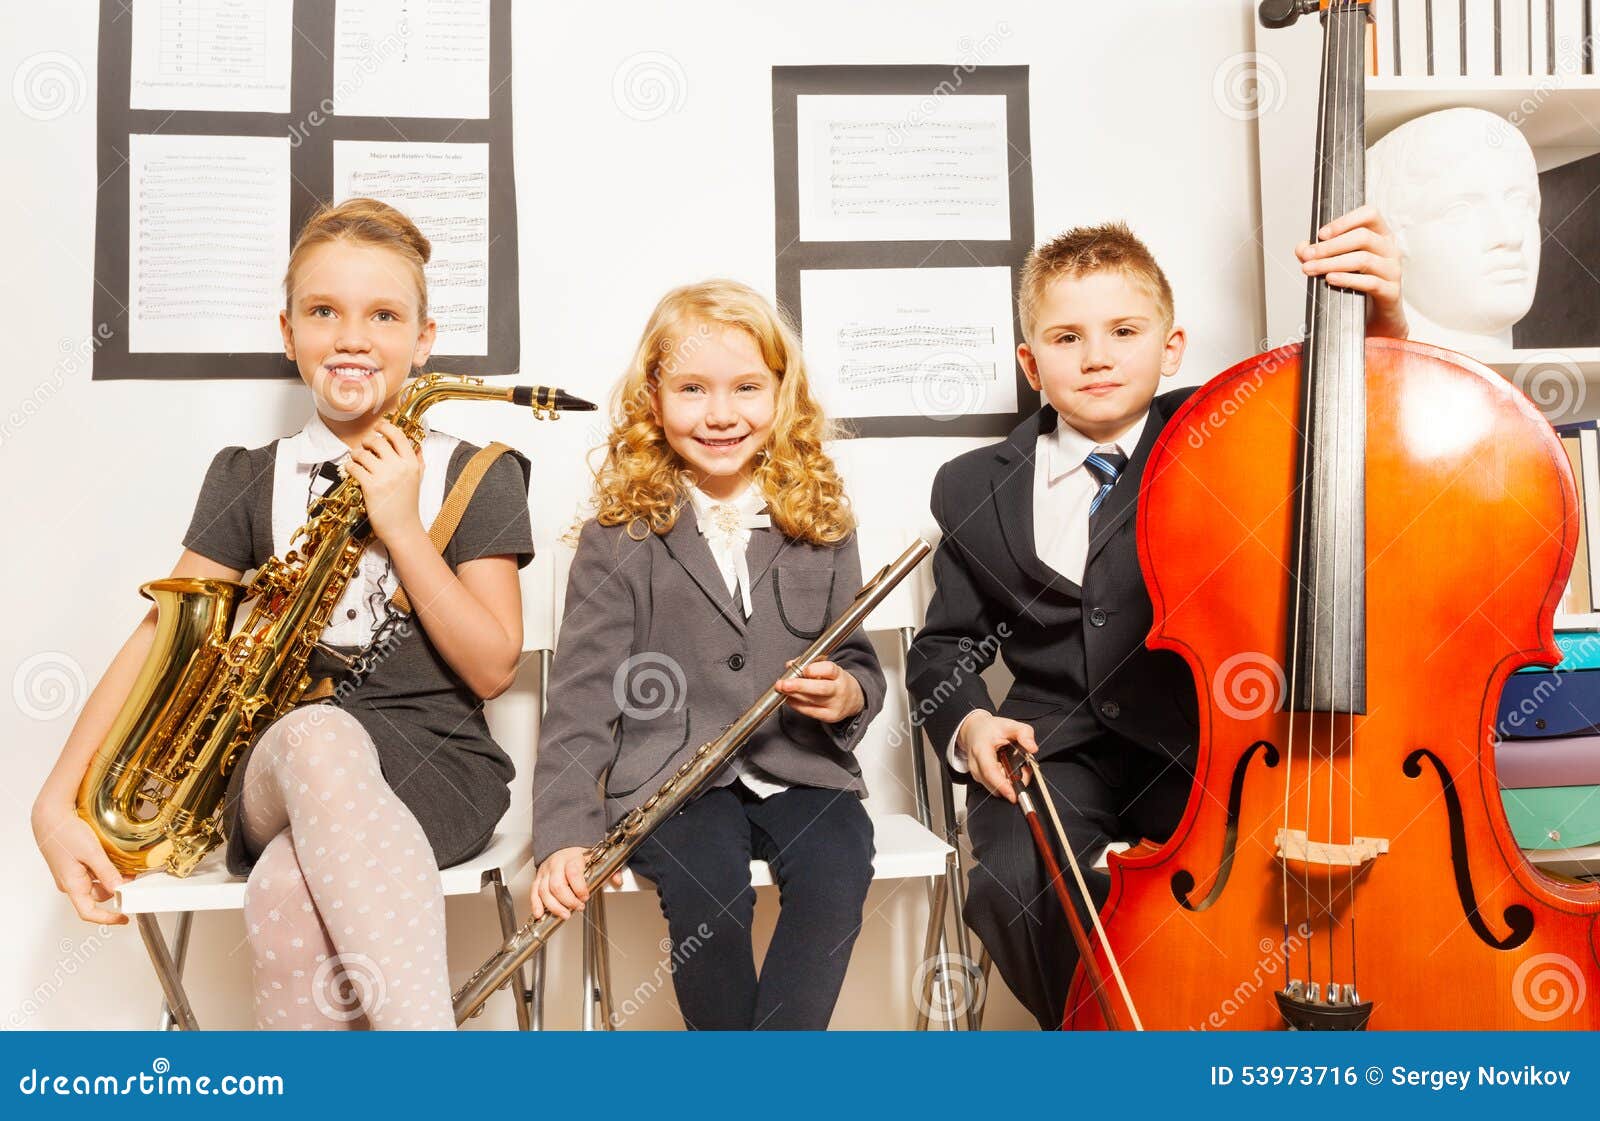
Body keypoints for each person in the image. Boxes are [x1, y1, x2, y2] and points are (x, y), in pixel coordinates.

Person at [32, 197, 534, 1029]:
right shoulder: (248, 476)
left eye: (384, 314)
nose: (351, 335)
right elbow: (164, 634)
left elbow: (492, 665)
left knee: (288, 885)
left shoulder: (478, 474)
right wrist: (57, 805)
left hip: (436, 774)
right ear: (289, 330)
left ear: (424, 340)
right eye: (322, 311)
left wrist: (402, 525)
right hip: (276, 763)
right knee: (315, 734)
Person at [907, 207, 1408, 1029]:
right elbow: (946, 644)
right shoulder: (971, 484)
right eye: (1066, 338)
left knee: (1247, 900)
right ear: (1032, 364)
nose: (1096, 356)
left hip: (1206, 745)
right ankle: (1100, 1056)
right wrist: (968, 723)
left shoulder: (1229, 429)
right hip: (1051, 747)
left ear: (1170, 348)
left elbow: (1358, 425)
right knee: (1008, 878)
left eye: (1124, 330)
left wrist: (1381, 319)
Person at [530, 279, 885, 1030]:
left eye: (746, 387)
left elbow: (857, 661)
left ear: (782, 395)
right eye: (693, 388)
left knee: (838, 872)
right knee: (711, 897)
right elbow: (581, 696)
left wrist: (846, 694)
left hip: (800, 771)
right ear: (654, 400)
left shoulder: (821, 520)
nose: (721, 414)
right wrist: (564, 831)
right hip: (672, 785)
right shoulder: (618, 535)